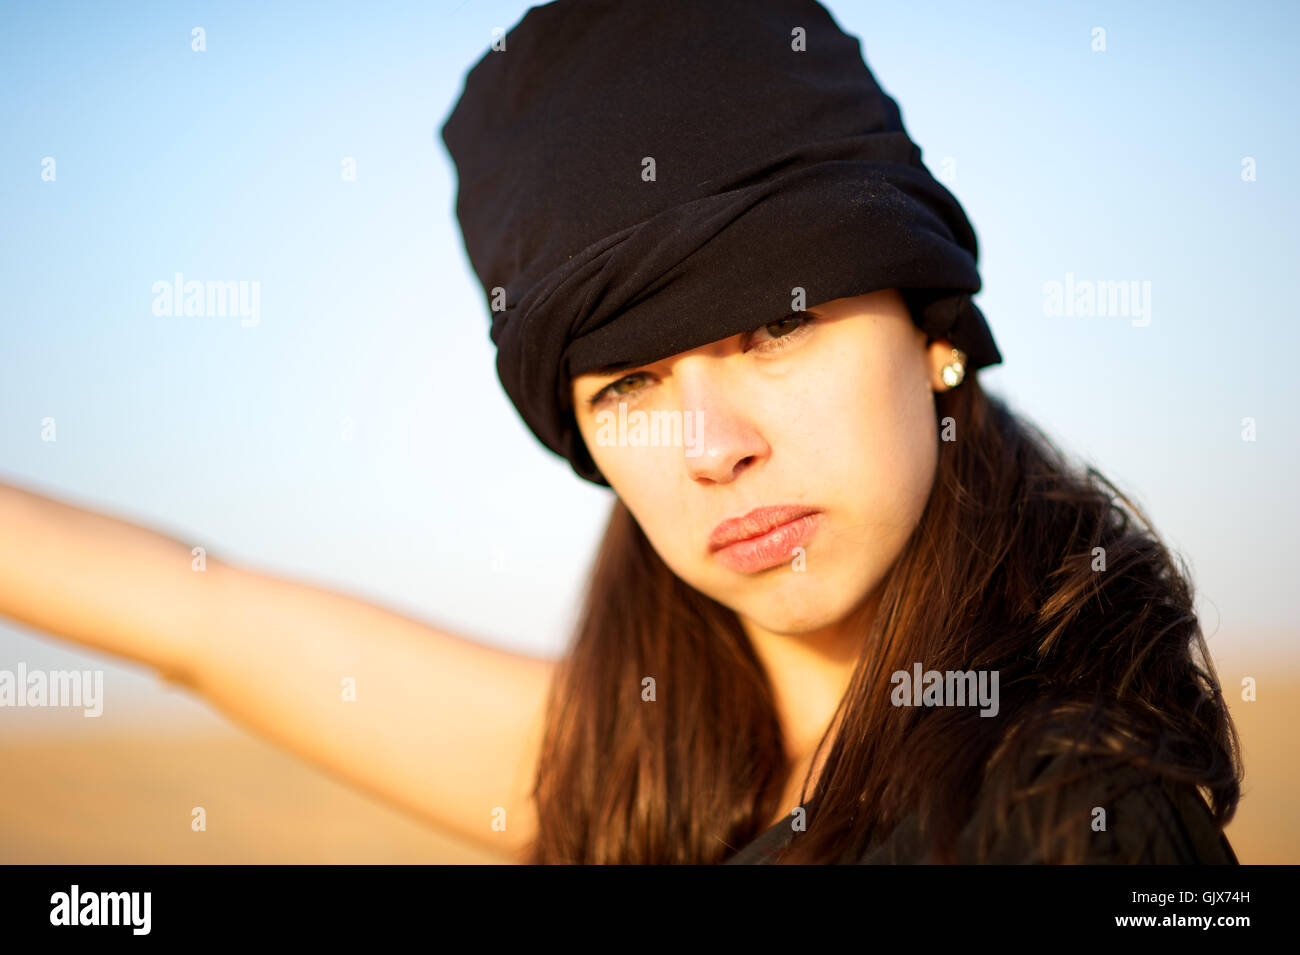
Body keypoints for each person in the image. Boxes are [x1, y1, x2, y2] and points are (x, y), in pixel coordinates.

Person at [0, 0, 1241, 865]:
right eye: (628, 386)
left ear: (935, 333)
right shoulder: (629, 773)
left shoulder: (1076, 815)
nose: (710, 445)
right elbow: (191, 617)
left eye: (773, 328)